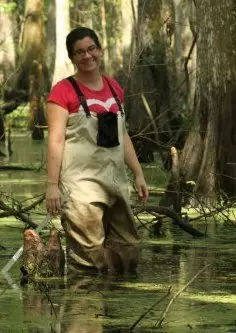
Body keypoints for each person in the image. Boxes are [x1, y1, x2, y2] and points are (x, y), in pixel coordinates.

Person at [45, 27, 148, 274]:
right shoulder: (62, 92)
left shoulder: (114, 88)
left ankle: (118, 307)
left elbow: (123, 135)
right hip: (81, 186)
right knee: (89, 260)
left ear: (100, 50)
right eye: (79, 52)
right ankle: (84, 307)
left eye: (91, 49)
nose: (87, 56)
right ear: (72, 58)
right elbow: (56, 141)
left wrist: (138, 173)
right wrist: (52, 185)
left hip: (115, 181)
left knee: (128, 252)